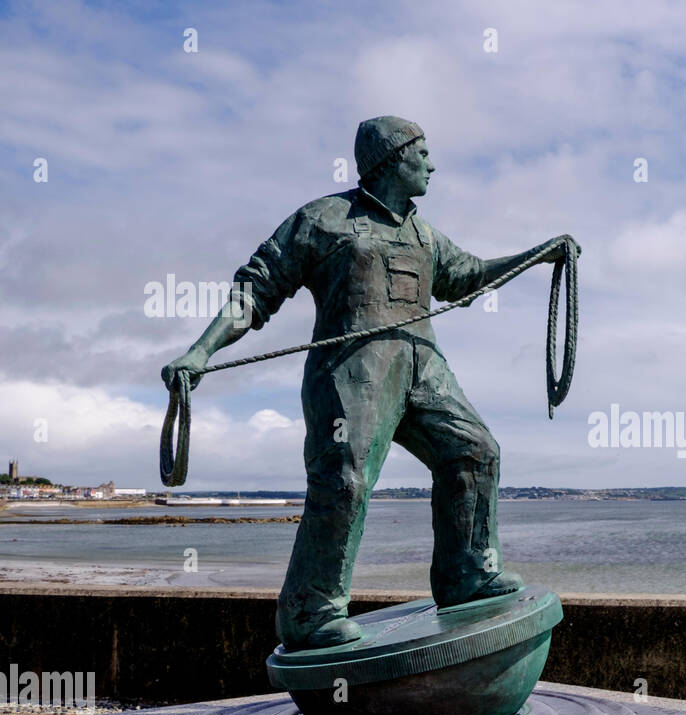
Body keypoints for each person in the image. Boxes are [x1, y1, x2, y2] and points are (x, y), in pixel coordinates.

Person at [161, 116, 576, 649]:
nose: (432, 164)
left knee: (475, 452)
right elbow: (257, 288)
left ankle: (466, 575)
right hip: (350, 370)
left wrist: (539, 254)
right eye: (422, 152)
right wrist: (201, 350)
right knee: (345, 481)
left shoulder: (423, 233)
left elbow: (468, 276)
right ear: (391, 158)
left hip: (424, 367)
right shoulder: (323, 218)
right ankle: (311, 612)